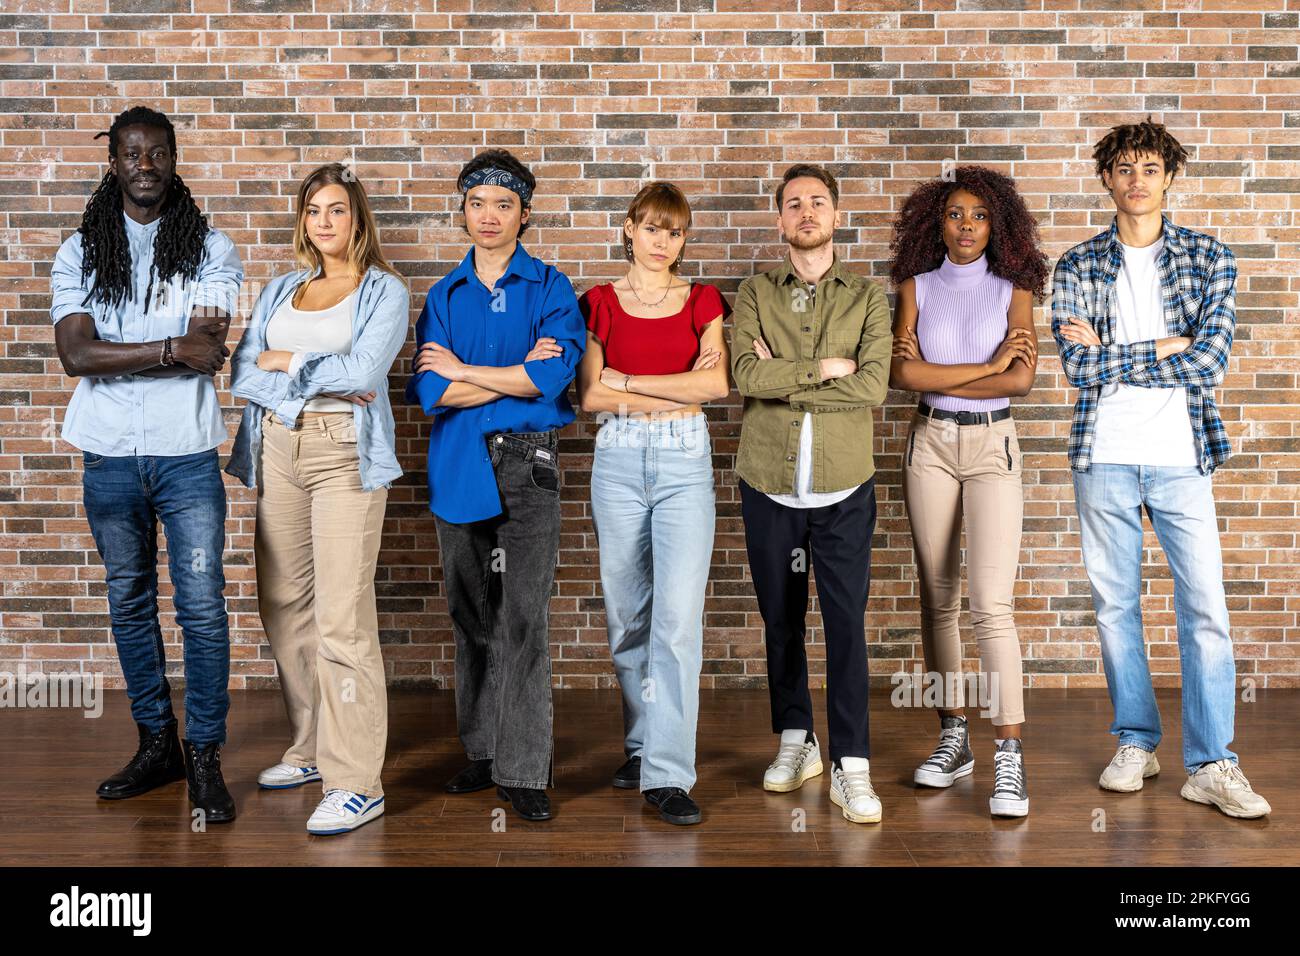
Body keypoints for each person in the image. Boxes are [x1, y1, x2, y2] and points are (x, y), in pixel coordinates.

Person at [1052, 118, 1270, 819]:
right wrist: (1164, 347)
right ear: (1106, 179)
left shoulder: (1210, 256)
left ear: (1169, 177)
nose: (1136, 180)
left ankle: (1211, 762)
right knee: (1117, 608)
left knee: (1205, 609)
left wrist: (1122, 351)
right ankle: (1137, 742)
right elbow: (1077, 366)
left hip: (1182, 457)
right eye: (1124, 168)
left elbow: (1211, 362)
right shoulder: (1078, 264)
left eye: (1150, 168)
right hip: (1104, 456)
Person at [50, 106, 243, 822]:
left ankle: (204, 756)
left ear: (173, 159)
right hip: (107, 456)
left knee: (201, 608)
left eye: (157, 153)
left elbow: (209, 348)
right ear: (114, 163)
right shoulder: (78, 253)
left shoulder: (213, 250)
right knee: (129, 602)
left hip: (185, 456)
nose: (144, 166)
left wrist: (123, 357)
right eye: (131, 154)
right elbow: (77, 356)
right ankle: (155, 742)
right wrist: (167, 352)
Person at [226, 163, 411, 835]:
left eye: (337, 210)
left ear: (357, 218)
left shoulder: (384, 289)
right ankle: (309, 747)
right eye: (313, 211)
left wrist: (289, 364)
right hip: (277, 445)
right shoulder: (282, 287)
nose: (324, 222)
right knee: (283, 605)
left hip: (343, 453)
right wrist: (303, 378)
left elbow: (365, 373)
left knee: (341, 617)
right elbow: (245, 369)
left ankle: (356, 780)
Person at [406, 149, 585, 822]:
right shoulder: (444, 295)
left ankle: (524, 769)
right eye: (478, 202)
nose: (490, 216)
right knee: (471, 616)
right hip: (458, 460)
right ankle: (482, 752)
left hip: (528, 464)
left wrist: (468, 371)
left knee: (524, 620)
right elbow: (431, 388)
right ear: (463, 212)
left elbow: (553, 378)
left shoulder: (550, 286)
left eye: (504, 204)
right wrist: (511, 370)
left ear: (524, 215)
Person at [730, 163, 892, 825]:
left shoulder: (867, 297)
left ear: (835, 214)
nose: (805, 212)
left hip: (843, 483)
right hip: (768, 481)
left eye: (816, 202)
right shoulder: (753, 292)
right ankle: (797, 739)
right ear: (780, 221)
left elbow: (874, 386)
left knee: (846, 625)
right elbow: (743, 373)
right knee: (781, 621)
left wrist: (782, 379)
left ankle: (852, 764)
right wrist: (824, 370)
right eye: (793, 203)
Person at [889, 166, 1048, 817]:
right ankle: (954, 738)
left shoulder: (1014, 290)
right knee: (939, 598)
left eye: (978, 215)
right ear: (937, 221)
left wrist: (955, 376)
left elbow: (1021, 384)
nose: (965, 226)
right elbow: (903, 374)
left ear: (997, 224)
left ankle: (1008, 753)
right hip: (930, 443)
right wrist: (987, 365)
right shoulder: (915, 286)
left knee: (991, 602)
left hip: (992, 446)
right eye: (955, 214)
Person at [576, 182, 730, 826]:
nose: (663, 242)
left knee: (674, 621)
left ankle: (667, 773)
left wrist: (631, 382)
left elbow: (715, 386)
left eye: (675, 232)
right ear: (628, 230)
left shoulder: (702, 300)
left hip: (683, 459)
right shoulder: (600, 303)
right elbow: (590, 397)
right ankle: (641, 745)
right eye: (653, 228)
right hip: (616, 460)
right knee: (627, 616)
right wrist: (673, 388)